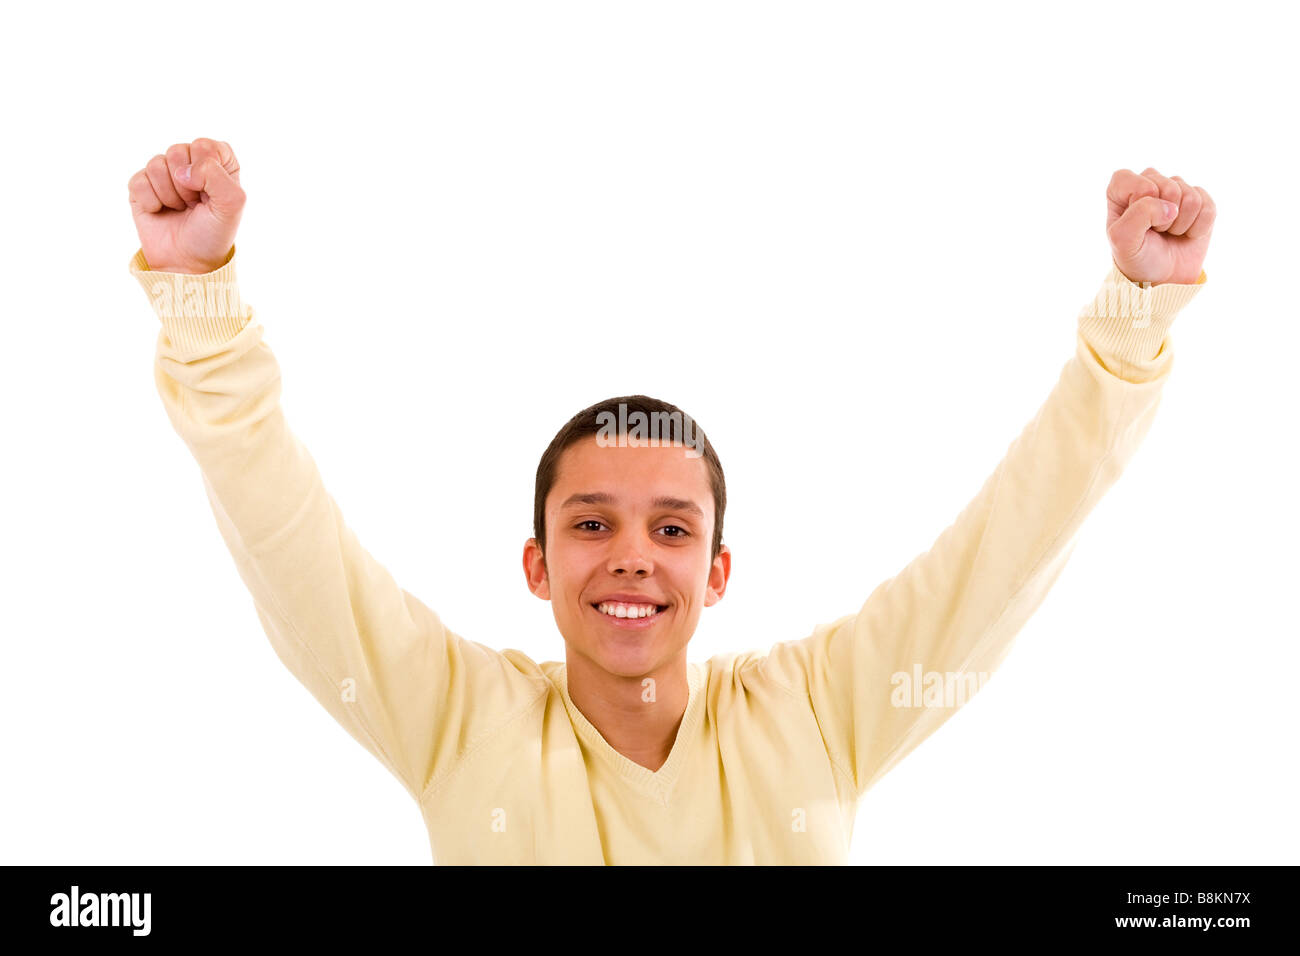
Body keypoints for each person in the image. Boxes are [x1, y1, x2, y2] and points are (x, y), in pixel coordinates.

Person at [126, 139, 1213, 864]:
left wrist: (1136, 313)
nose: (633, 557)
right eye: (591, 523)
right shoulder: (458, 717)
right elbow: (286, 536)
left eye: (673, 528)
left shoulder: (819, 709)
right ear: (537, 565)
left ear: (718, 571)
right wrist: (200, 298)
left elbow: (1010, 543)